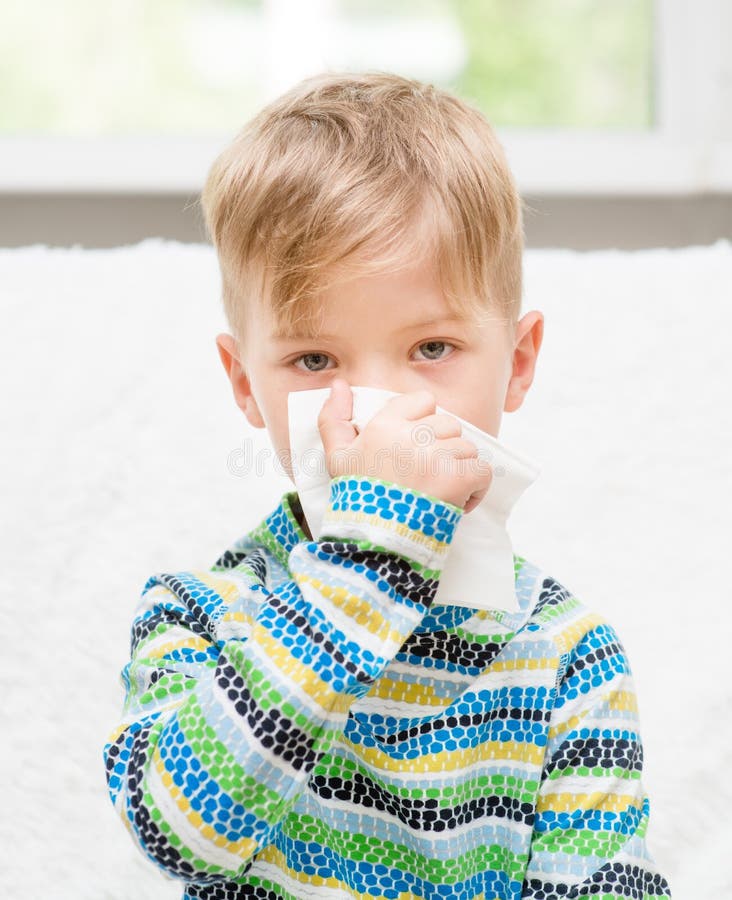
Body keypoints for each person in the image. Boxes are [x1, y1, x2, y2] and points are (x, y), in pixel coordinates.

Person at [103, 71, 671, 899]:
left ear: (517, 362)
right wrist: (369, 556)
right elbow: (176, 837)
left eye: (432, 349)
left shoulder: (568, 657)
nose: (383, 414)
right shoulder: (200, 616)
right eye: (314, 359)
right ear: (245, 384)